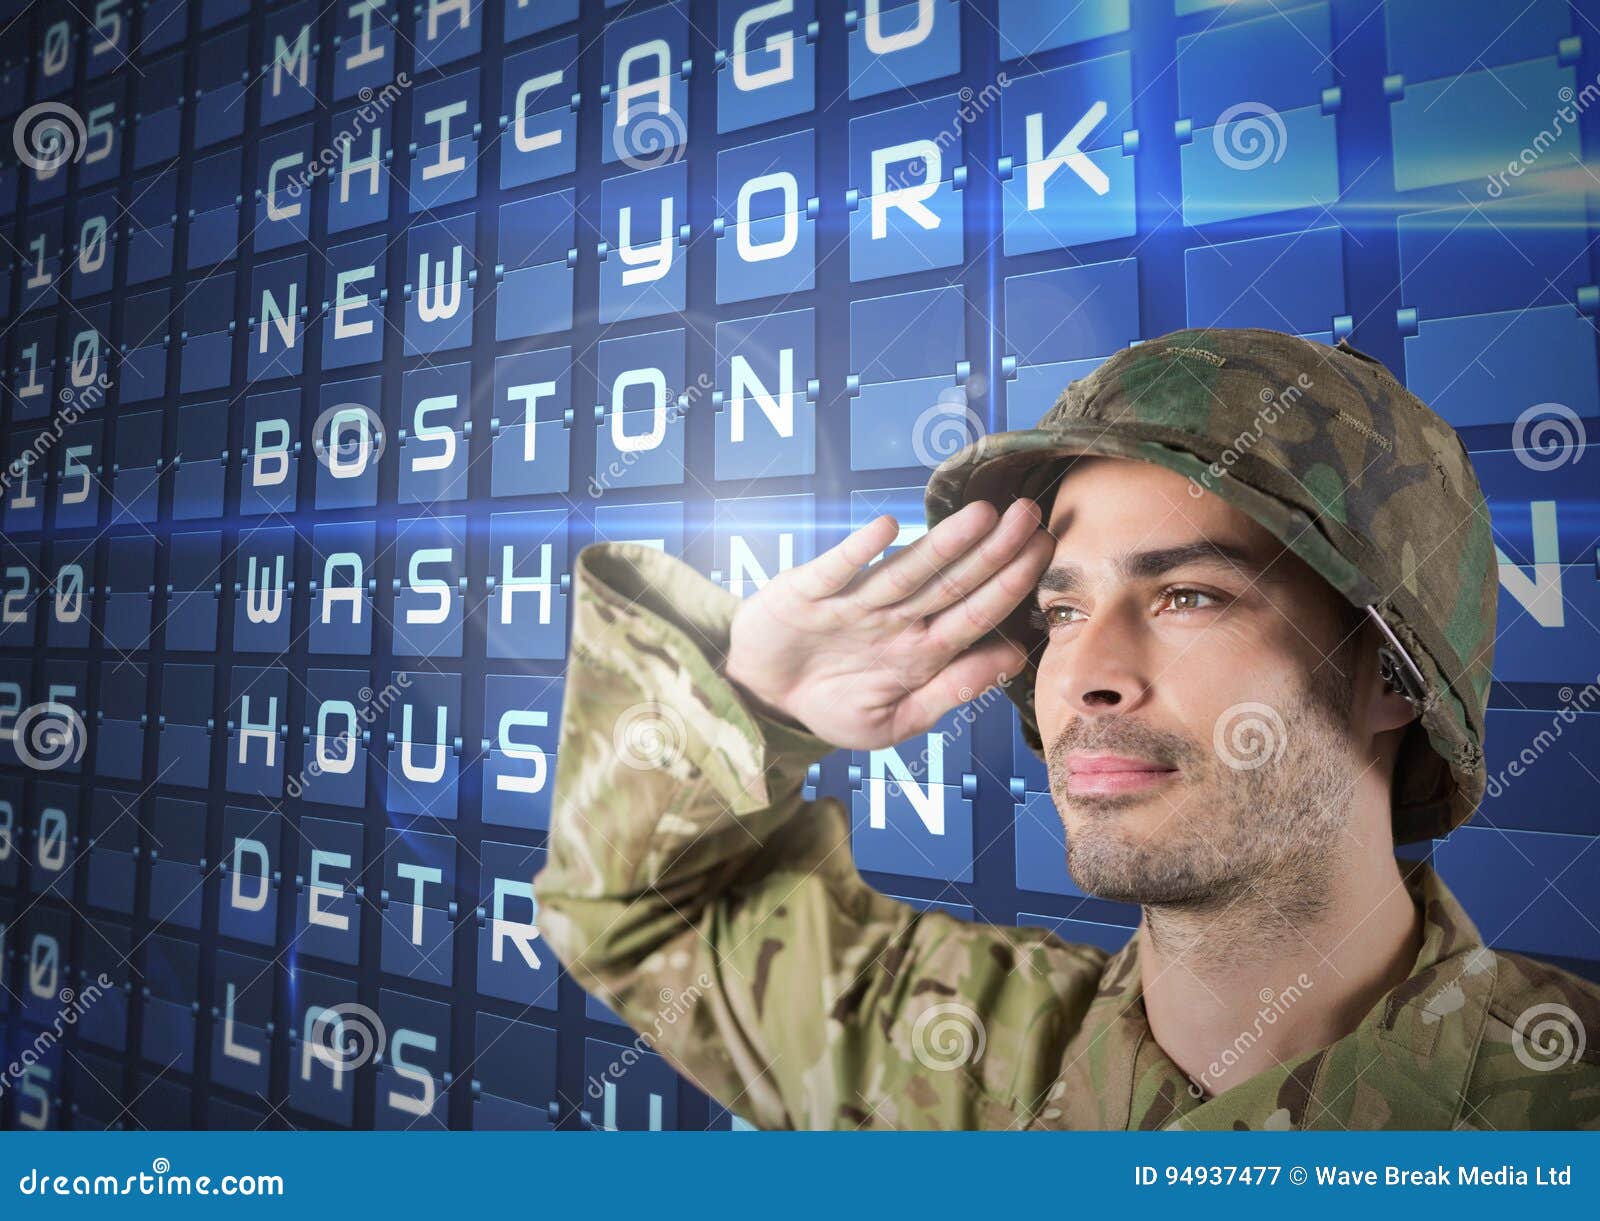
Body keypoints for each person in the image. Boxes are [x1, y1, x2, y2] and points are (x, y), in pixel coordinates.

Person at [532, 327, 1600, 1130]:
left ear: (1390, 672)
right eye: (1058, 610)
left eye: (1188, 596)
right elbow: (639, 913)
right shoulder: (963, 1060)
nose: (1083, 674)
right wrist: (748, 706)